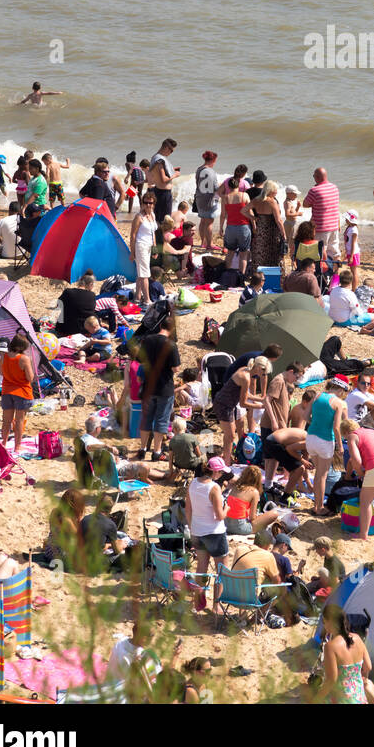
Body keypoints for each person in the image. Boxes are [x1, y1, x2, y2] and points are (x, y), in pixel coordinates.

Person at [135, 313, 180, 461]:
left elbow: (140, 360)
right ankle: (157, 451)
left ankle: (142, 448)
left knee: (146, 418)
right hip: (164, 387)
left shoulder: (147, 340)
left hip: (148, 386)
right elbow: (175, 369)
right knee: (161, 419)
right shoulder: (171, 345)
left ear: (160, 326)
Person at [210, 355, 269, 466]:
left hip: (226, 403)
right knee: (231, 436)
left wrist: (260, 399)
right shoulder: (245, 378)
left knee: (229, 435)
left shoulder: (245, 370)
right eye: (264, 373)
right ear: (258, 368)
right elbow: (243, 403)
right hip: (223, 405)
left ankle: (226, 457)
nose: (264, 375)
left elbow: (246, 394)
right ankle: (226, 464)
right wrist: (261, 406)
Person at [317, 602, 374, 705]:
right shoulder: (357, 638)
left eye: (324, 621)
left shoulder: (330, 647)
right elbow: (368, 667)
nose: (324, 624)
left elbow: (331, 680)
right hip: (359, 698)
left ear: (329, 622)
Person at [185, 462, 227, 604]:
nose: (221, 475)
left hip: (198, 531)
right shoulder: (214, 488)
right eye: (221, 472)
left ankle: (198, 600)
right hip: (215, 533)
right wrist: (228, 507)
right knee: (221, 570)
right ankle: (216, 605)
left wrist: (192, 528)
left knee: (201, 566)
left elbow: (188, 509)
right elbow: (220, 515)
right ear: (214, 472)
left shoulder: (193, 483)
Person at [306, 380, 347, 517]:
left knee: (318, 474)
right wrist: (340, 446)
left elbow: (306, 417)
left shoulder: (316, 396)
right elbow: (336, 427)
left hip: (311, 437)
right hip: (325, 440)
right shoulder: (338, 403)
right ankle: (320, 507)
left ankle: (315, 505)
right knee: (322, 476)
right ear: (340, 390)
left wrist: (317, 424)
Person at [329, 267, 374, 334]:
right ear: (351, 281)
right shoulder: (350, 294)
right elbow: (357, 311)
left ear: (340, 280)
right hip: (344, 321)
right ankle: (366, 330)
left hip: (333, 318)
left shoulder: (333, 290)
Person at [0, 333, 35, 452]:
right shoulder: (23, 358)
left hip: (6, 390)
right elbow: (30, 378)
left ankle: (3, 443)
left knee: (6, 421)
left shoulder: (4, 356)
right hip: (21, 392)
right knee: (19, 421)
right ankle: (17, 446)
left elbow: (1, 373)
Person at [249, 180, 287, 274]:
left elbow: (243, 210)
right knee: (273, 253)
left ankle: (258, 274)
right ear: (271, 190)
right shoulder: (272, 202)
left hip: (261, 229)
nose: (277, 192)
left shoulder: (257, 200)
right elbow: (278, 220)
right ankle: (271, 273)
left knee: (260, 251)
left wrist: (254, 217)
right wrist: (284, 234)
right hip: (272, 231)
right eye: (275, 190)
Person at [303, 168, 341, 260]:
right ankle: (335, 273)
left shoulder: (314, 190)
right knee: (334, 251)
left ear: (317, 177)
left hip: (321, 227)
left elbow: (305, 204)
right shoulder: (334, 187)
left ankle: (322, 272)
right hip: (334, 225)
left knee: (320, 252)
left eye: (313, 176)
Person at [222, 177, 255, 276]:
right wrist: (254, 225)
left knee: (230, 253)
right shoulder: (244, 195)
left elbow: (223, 214)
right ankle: (241, 277)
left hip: (230, 227)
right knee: (243, 255)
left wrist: (220, 227)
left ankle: (226, 275)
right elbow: (250, 211)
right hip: (243, 227)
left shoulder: (225, 198)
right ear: (238, 186)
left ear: (228, 186)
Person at [130, 194, 158, 307]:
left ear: (153, 204)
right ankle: (147, 300)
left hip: (148, 246)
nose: (147, 205)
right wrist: (132, 252)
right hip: (140, 245)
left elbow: (153, 233)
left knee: (141, 273)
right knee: (145, 274)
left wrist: (155, 248)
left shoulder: (152, 215)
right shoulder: (139, 217)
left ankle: (137, 297)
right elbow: (132, 235)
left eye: (150, 203)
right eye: (145, 202)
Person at [194, 151, 224, 252]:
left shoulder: (199, 169)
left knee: (203, 221)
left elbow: (198, 183)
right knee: (209, 222)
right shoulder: (211, 172)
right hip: (209, 200)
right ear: (213, 160)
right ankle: (209, 244)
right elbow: (215, 188)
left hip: (199, 198)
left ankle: (203, 242)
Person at [148, 139, 179, 225]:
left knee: (158, 219)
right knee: (165, 221)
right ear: (166, 147)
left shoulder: (154, 157)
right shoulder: (160, 160)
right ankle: (161, 238)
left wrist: (172, 170)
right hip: (164, 193)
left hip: (158, 190)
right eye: (171, 150)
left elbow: (157, 174)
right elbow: (164, 179)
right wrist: (175, 175)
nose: (171, 153)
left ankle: (158, 237)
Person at [58, 271, 98, 335]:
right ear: (90, 284)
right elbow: (91, 311)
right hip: (84, 330)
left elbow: (58, 305)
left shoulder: (68, 292)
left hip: (64, 329)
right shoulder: (92, 295)